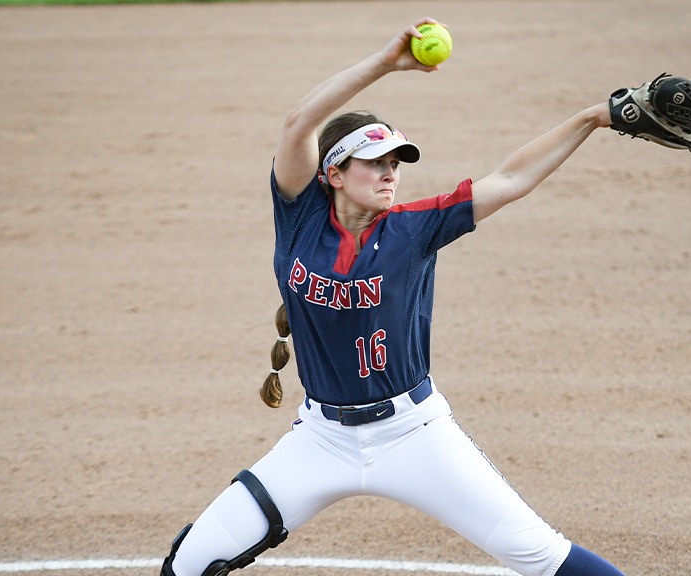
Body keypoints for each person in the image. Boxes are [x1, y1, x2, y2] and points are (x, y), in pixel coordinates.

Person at [160, 18, 626, 576]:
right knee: (188, 564)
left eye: (395, 163)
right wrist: (386, 63)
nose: (390, 174)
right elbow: (299, 120)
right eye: (375, 162)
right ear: (333, 172)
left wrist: (593, 117)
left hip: (416, 435)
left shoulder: (416, 227)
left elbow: (512, 178)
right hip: (321, 440)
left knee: (543, 555)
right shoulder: (299, 215)